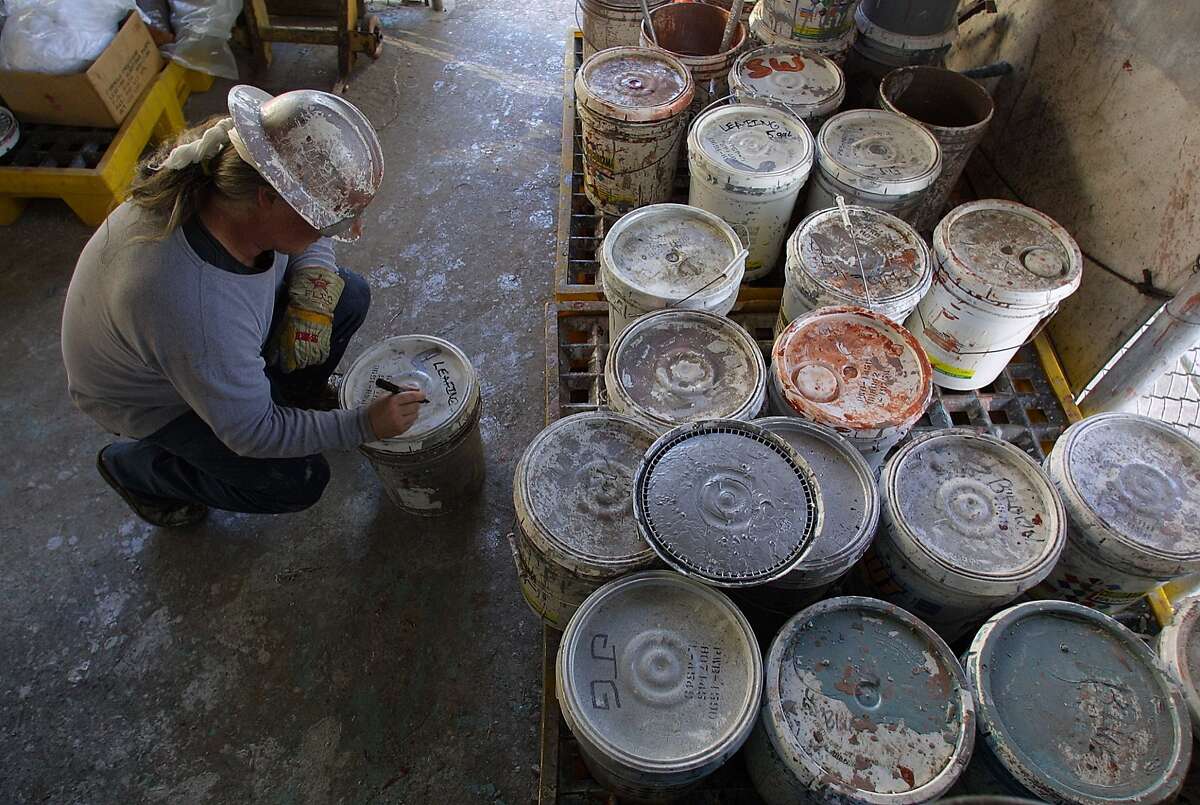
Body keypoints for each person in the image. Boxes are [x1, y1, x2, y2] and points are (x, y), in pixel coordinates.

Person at [61, 86, 425, 528]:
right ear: (269, 199)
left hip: (200, 351)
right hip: (161, 398)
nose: (344, 232)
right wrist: (362, 426)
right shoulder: (194, 308)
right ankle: (138, 470)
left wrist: (312, 285)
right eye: (326, 218)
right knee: (297, 479)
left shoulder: (237, 170)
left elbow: (312, 244)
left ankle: (278, 398)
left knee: (345, 297)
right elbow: (253, 434)